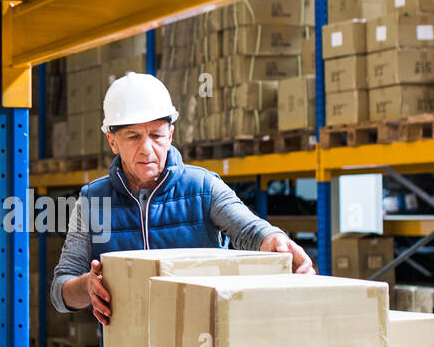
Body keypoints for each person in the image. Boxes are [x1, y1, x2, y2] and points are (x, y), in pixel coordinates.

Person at [50, 71, 315, 325]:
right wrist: (88, 286)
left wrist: (280, 243)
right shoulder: (93, 201)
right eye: (133, 137)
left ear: (171, 135)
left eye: (156, 135)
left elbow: (251, 231)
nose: (147, 149)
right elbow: (60, 290)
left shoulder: (203, 187)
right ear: (112, 141)